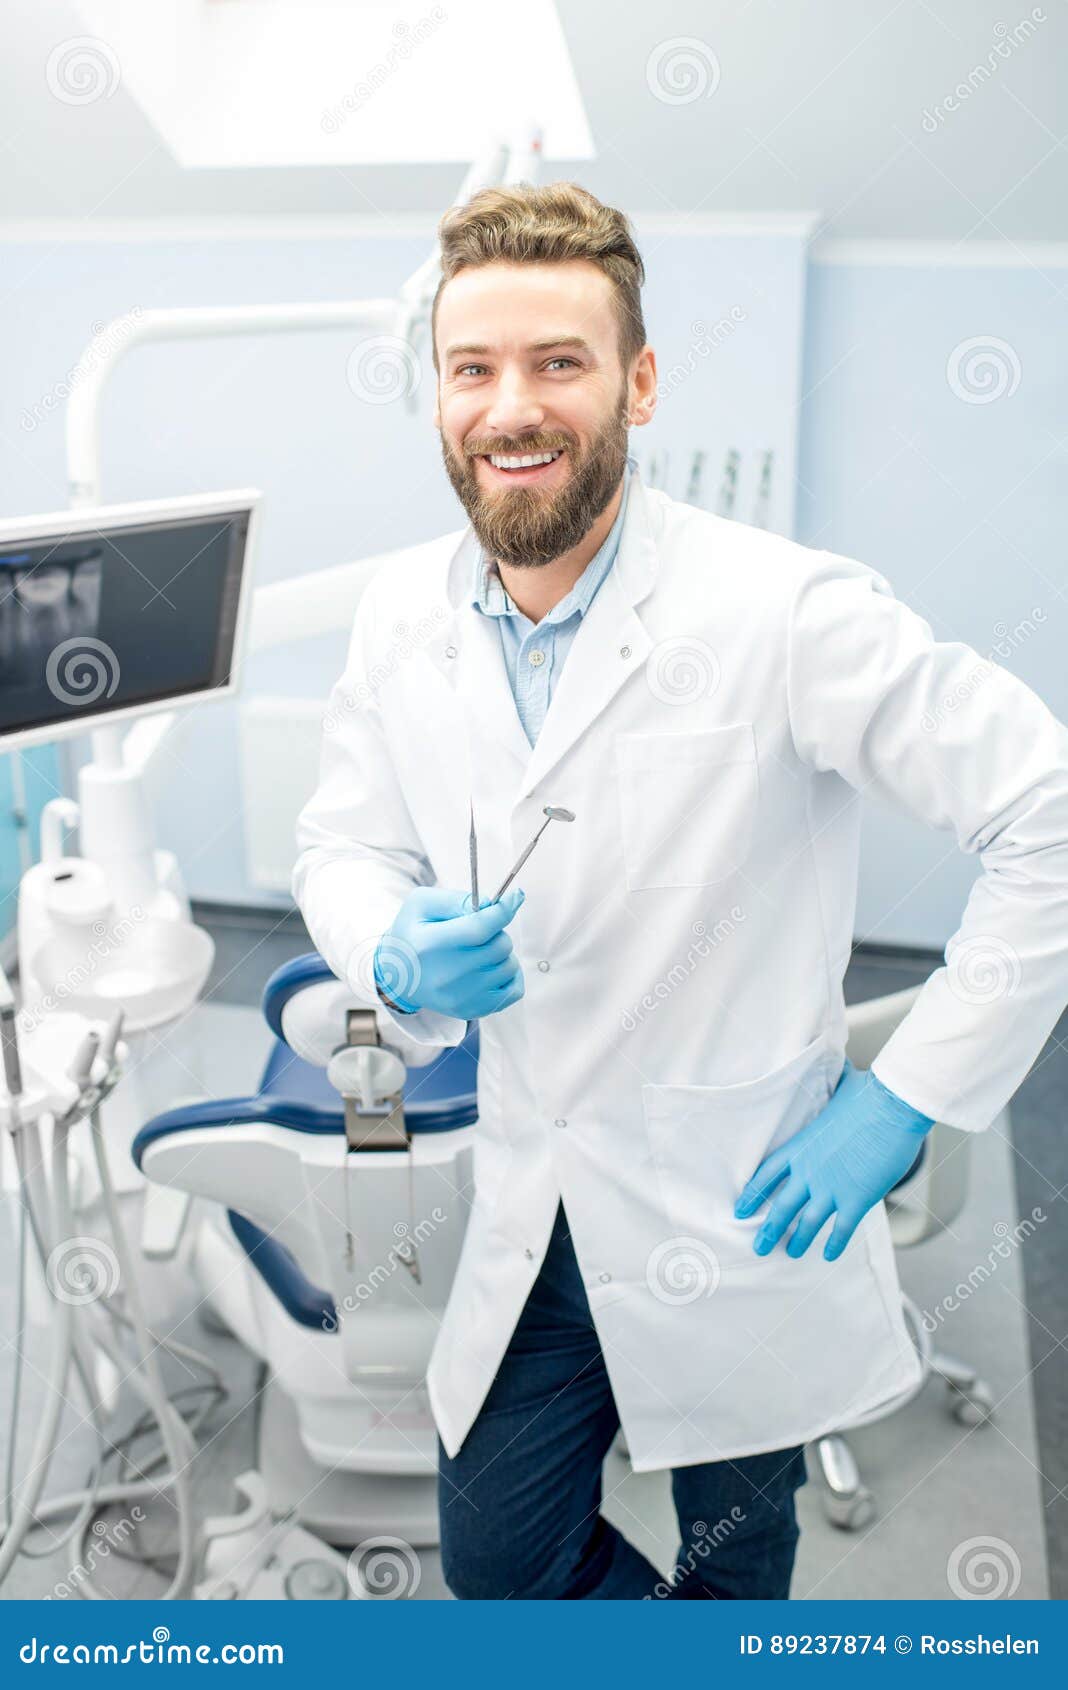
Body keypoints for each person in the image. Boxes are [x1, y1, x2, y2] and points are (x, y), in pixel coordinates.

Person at [292, 182, 1068, 1598]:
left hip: (744, 1205)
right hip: (535, 1198)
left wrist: (902, 1104)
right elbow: (337, 847)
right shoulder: (400, 612)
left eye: (558, 363)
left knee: (733, 1560)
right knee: (502, 1567)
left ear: (638, 384)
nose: (510, 406)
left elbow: (1050, 816)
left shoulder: (785, 611)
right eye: (473, 369)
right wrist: (389, 950)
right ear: (438, 397)